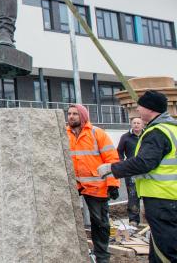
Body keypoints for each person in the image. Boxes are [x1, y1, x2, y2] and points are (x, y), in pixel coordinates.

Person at [99, 90, 177, 262]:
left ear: (150, 108)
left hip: (162, 199)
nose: (138, 110)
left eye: (140, 107)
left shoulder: (157, 132)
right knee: (161, 245)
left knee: (166, 250)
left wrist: (112, 168)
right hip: (170, 198)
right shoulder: (173, 129)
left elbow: (144, 163)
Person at [66, 104, 120, 263]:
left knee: (100, 223)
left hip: (97, 186)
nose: (71, 117)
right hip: (73, 185)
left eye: (75, 114)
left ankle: (102, 257)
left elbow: (111, 159)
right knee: (67, 219)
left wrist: (113, 183)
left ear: (83, 116)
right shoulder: (64, 133)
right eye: (69, 114)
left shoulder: (97, 133)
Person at [117, 116, 144, 225]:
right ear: (131, 124)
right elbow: (119, 151)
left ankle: (150, 218)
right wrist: (122, 163)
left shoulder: (147, 136)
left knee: (148, 194)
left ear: (142, 125)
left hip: (146, 169)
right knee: (133, 195)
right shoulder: (125, 137)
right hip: (131, 170)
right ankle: (133, 220)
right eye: (134, 123)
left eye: (138, 123)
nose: (136, 125)